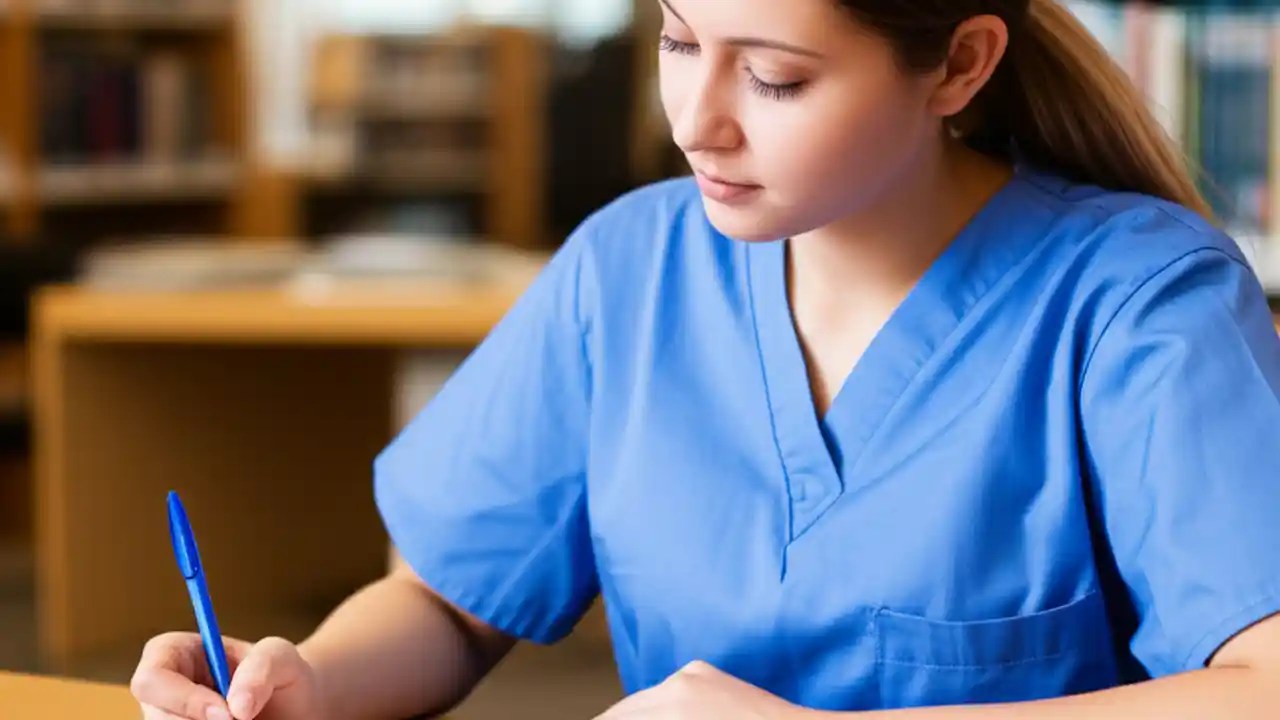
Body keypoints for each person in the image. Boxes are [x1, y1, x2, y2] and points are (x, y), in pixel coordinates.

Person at [131, 0, 1280, 718]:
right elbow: (449, 599)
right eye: (678, 41)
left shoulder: (1137, 300)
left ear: (958, 65)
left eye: (774, 77)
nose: (695, 121)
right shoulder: (627, 268)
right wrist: (311, 683)